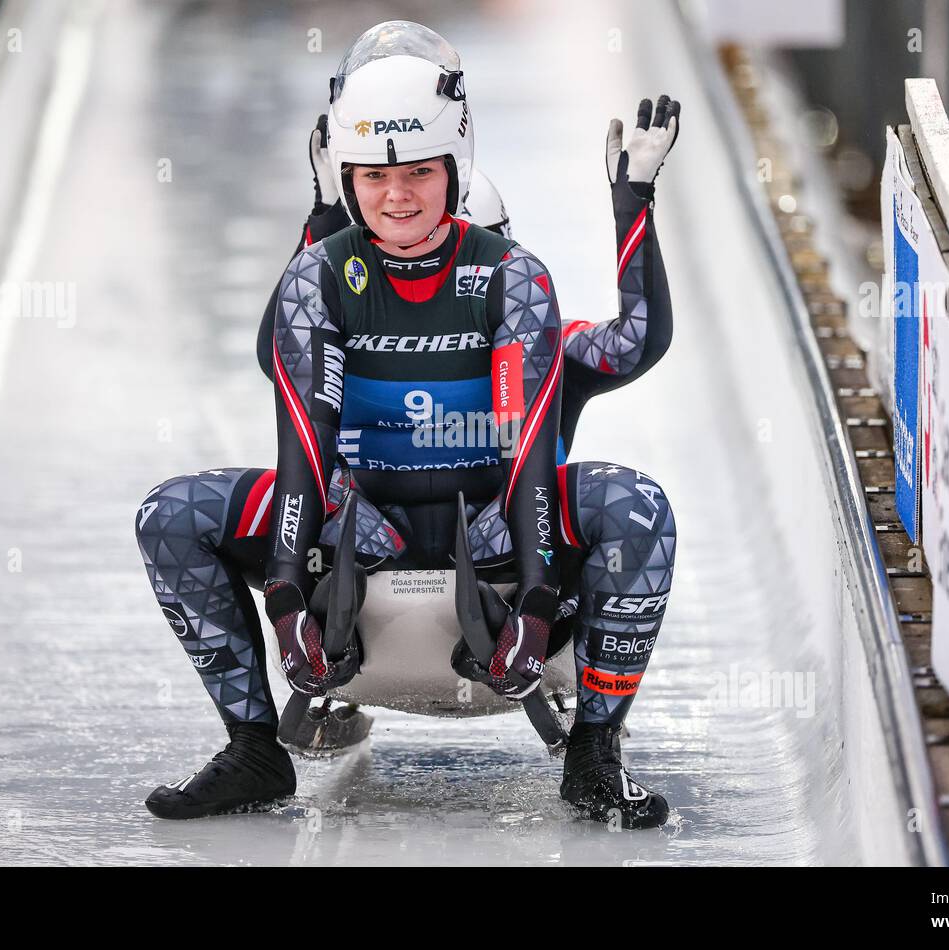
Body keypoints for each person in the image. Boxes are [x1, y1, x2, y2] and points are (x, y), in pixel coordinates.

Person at [136, 21, 678, 829]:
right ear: (350, 179)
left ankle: (596, 752)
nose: (398, 197)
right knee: (169, 514)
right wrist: (286, 593)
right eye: (373, 179)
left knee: (638, 508)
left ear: (455, 180)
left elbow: (544, 435)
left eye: (421, 174)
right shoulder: (320, 281)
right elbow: (300, 426)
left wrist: (534, 598)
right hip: (363, 538)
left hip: (495, 544)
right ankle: (252, 748)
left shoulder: (518, 288)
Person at [256, 99, 678, 465]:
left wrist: (634, 203)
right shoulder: (349, 340)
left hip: (512, 533)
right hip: (368, 535)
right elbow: (280, 353)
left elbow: (632, 343)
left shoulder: (550, 343)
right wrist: (326, 217)